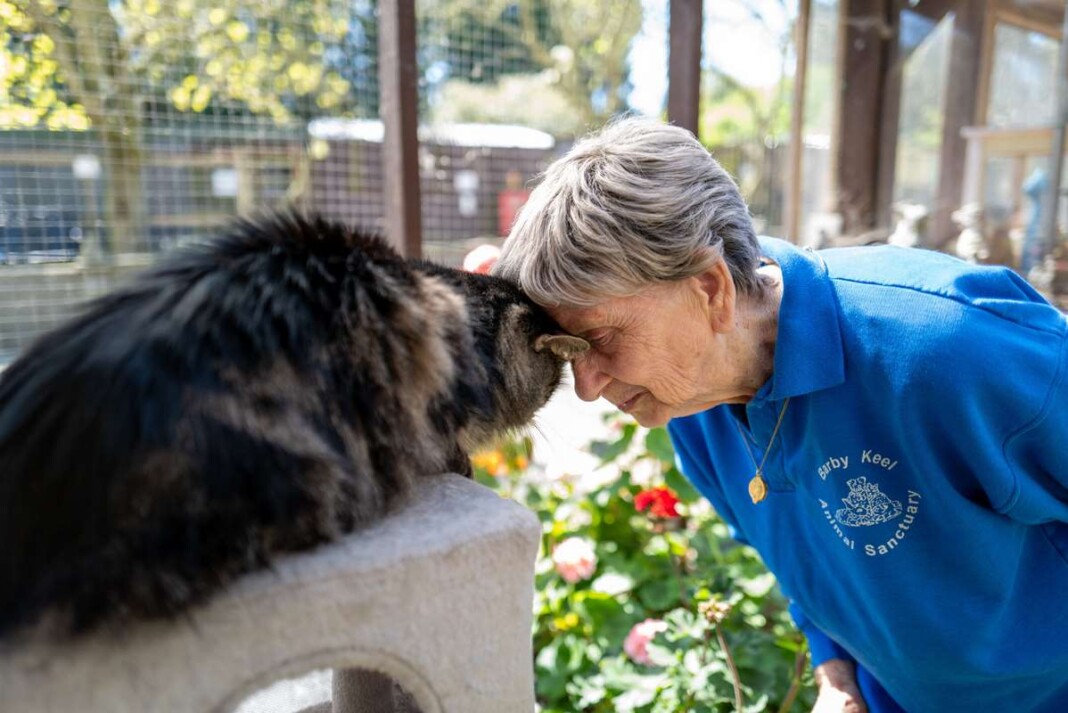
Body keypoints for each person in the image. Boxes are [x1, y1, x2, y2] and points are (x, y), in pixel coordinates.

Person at [493, 117, 1068, 712]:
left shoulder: (952, 346)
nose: (586, 387)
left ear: (712, 289)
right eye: (573, 351)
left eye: (602, 336)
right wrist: (834, 668)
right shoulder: (691, 407)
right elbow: (810, 567)